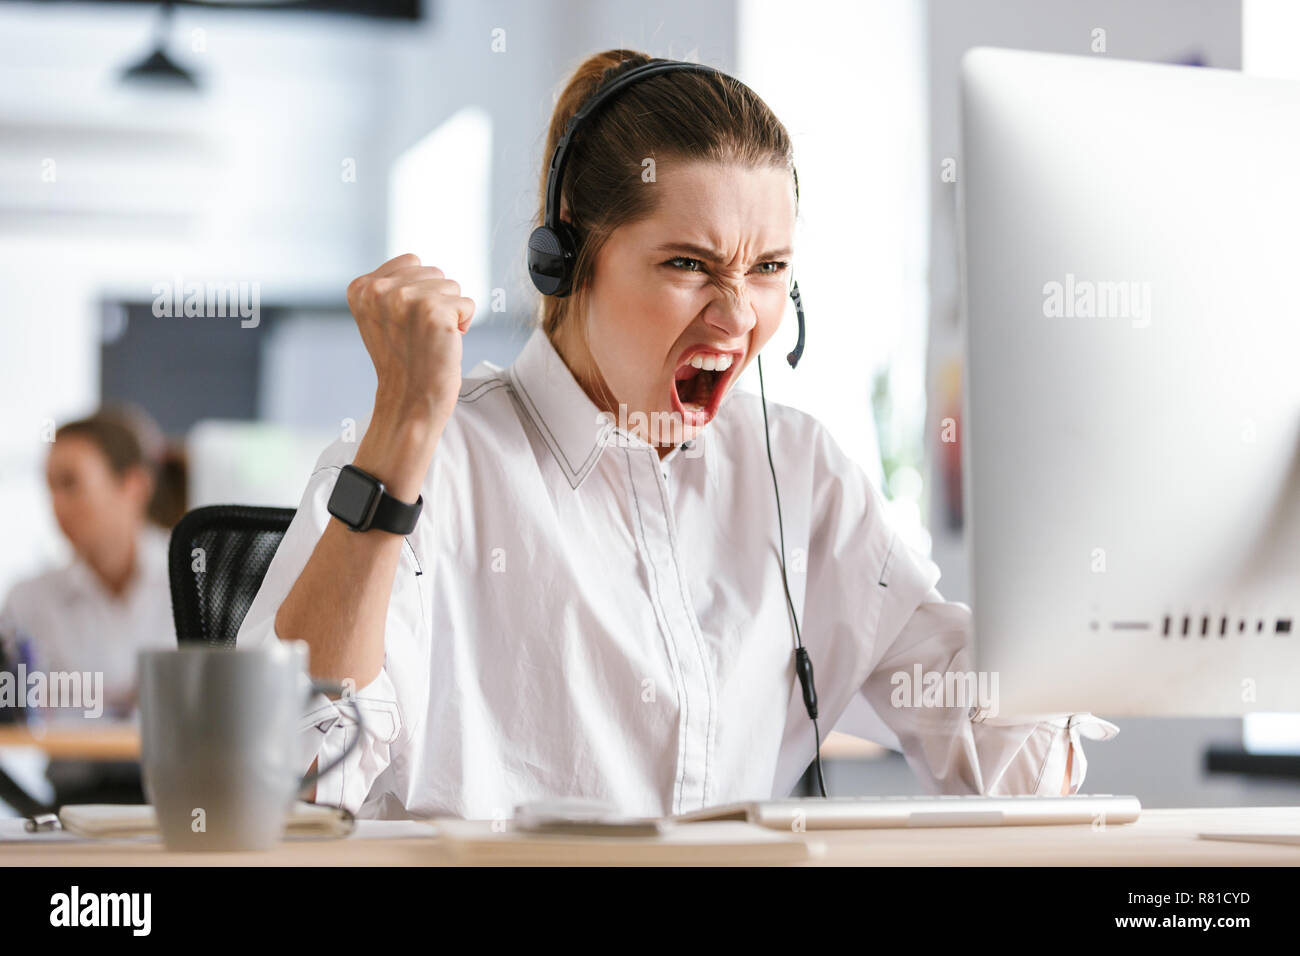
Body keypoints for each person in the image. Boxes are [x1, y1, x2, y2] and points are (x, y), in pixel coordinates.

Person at [237, 49, 1118, 819]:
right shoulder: (438, 462)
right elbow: (286, 774)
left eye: (769, 270)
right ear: (569, 258)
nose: (737, 315)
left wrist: (1082, 489)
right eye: (688, 265)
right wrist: (401, 431)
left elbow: (1016, 769)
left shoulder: (796, 471)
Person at [0, 405, 183, 805]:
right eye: (49, 487)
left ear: (133, 485)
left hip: (183, 802)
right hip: (72, 804)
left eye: (70, 484)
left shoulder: (196, 578)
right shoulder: (28, 598)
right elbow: (14, 704)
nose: (56, 505)